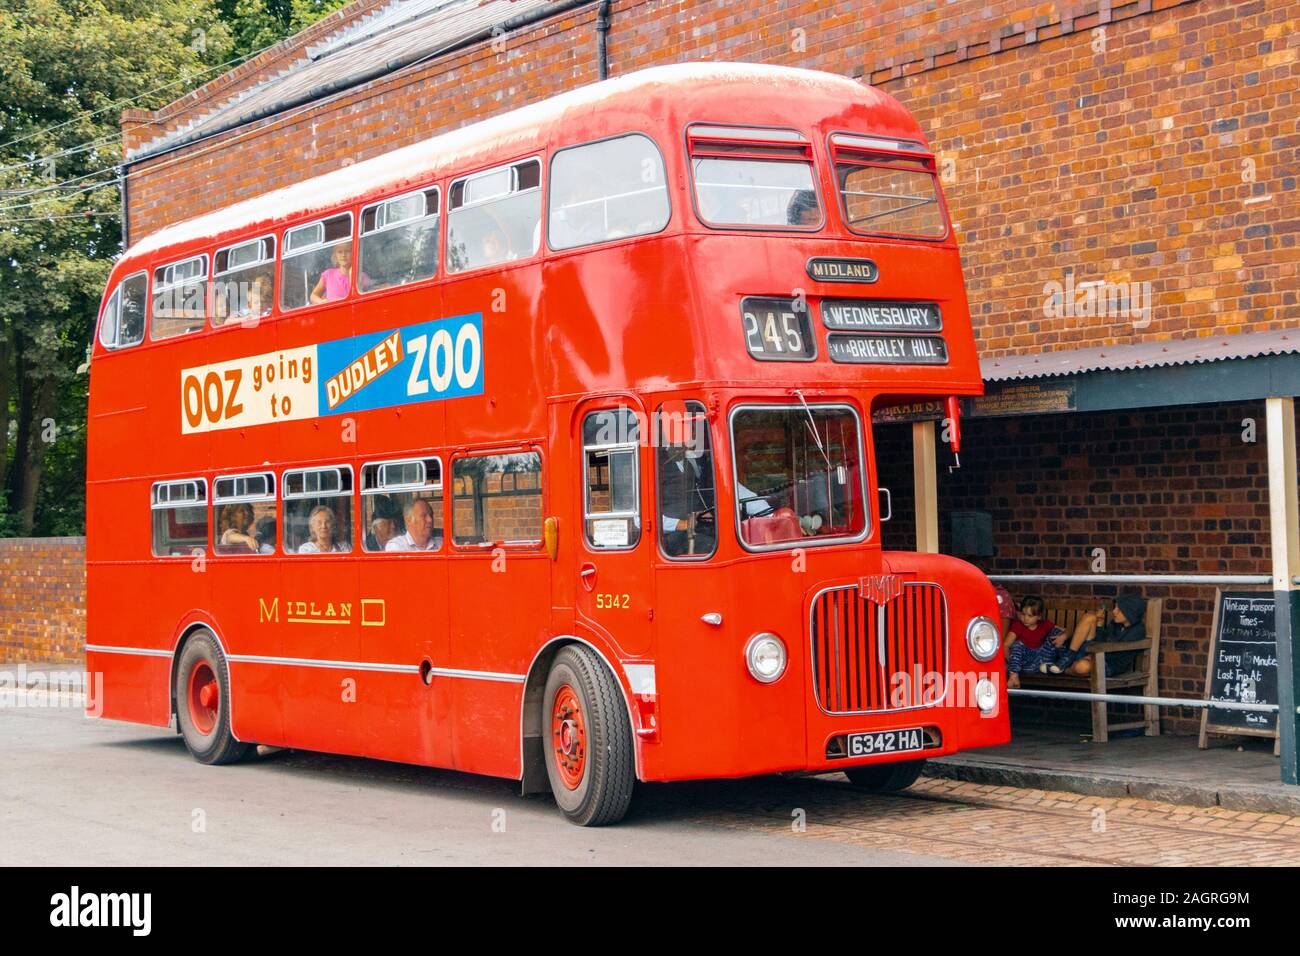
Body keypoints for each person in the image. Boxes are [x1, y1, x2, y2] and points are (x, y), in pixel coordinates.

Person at [1055, 592, 1148, 678]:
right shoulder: (1116, 624)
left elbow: (1117, 654)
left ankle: (1064, 669)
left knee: (1082, 667)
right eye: (1115, 607)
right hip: (1092, 653)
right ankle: (1068, 657)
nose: (1114, 611)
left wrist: (1092, 656)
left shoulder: (1137, 632)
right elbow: (1101, 640)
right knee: (1090, 617)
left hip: (1108, 665)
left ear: (1130, 613)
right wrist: (1099, 624)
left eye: (1119, 609)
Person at [1003, 595, 1067, 688]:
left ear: (1039, 617)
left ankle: (1061, 664)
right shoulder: (1018, 626)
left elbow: (1065, 631)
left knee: (1057, 633)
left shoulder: (1044, 624)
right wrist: (1012, 662)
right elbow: (1006, 645)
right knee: (1017, 645)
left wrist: (1064, 636)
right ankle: (1014, 676)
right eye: (1023, 614)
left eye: (1030, 616)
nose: (1026, 618)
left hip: (1043, 660)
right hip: (1025, 662)